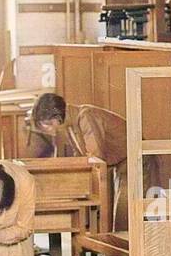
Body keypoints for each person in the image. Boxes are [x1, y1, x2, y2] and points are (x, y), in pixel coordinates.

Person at [23, 92, 129, 227]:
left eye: (47, 123)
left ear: (56, 117)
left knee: (123, 212)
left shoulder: (85, 116)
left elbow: (96, 158)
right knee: (115, 213)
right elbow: (79, 155)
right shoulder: (69, 123)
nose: (48, 128)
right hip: (118, 161)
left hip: (133, 158)